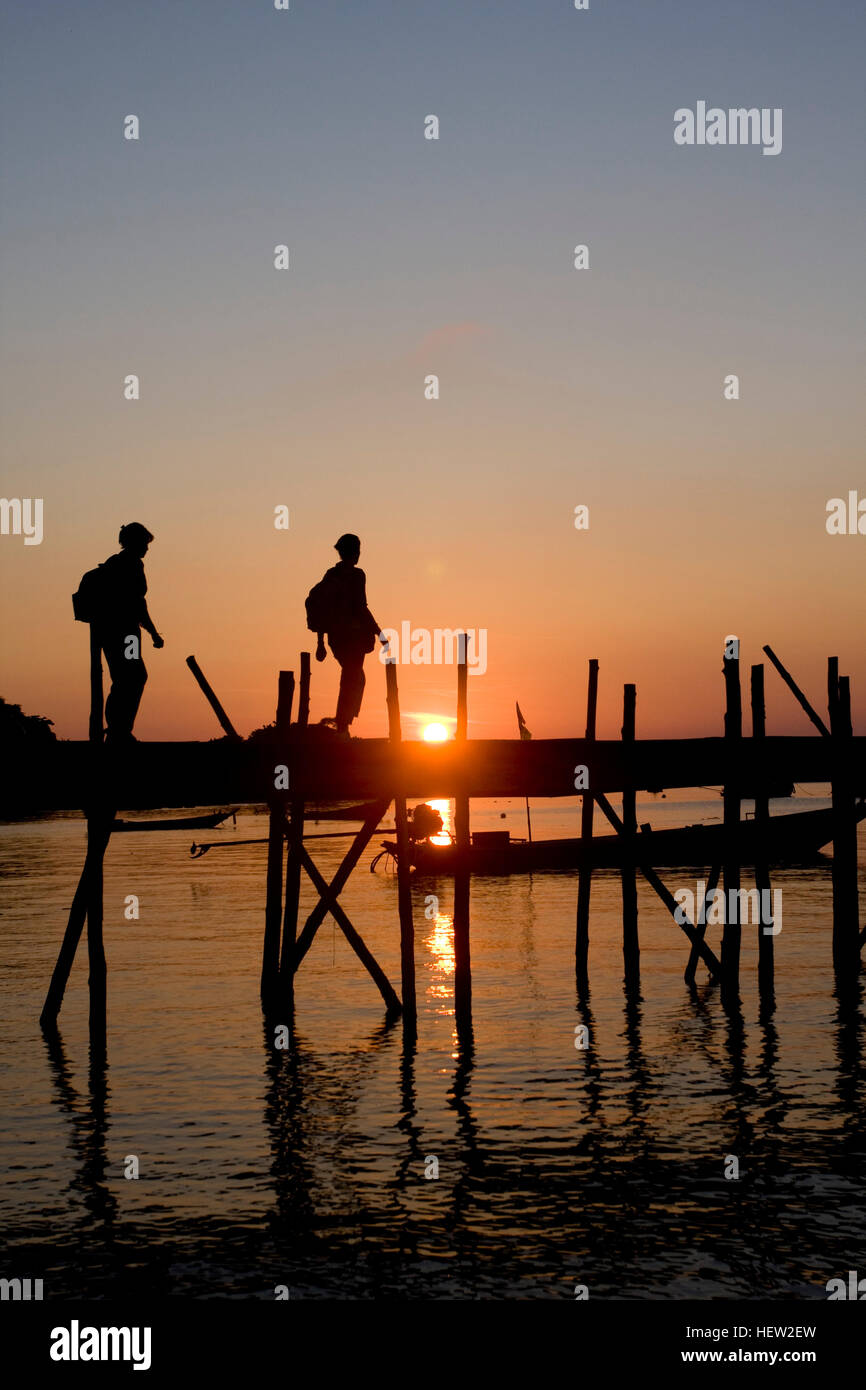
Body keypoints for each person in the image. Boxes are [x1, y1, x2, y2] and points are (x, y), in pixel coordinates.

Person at [94, 523, 164, 743]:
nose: (147, 548)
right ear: (135, 542)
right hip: (126, 634)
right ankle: (119, 730)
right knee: (132, 676)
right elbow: (137, 603)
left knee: (125, 677)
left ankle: (118, 729)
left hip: (112, 632)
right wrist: (154, 632)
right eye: (144, 543)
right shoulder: (131, 565)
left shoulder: (114, 563)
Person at [313, 534, 382, 737]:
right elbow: (361, 607)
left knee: (354, 677)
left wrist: (320, 642)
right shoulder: (356, 575)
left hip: (335, 639)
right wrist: (379, 632)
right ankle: (342, 725)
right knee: (352, 678)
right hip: (353, 638)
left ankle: (344, 724)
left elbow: (322, 609)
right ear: (356, 552)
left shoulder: (331, 575)